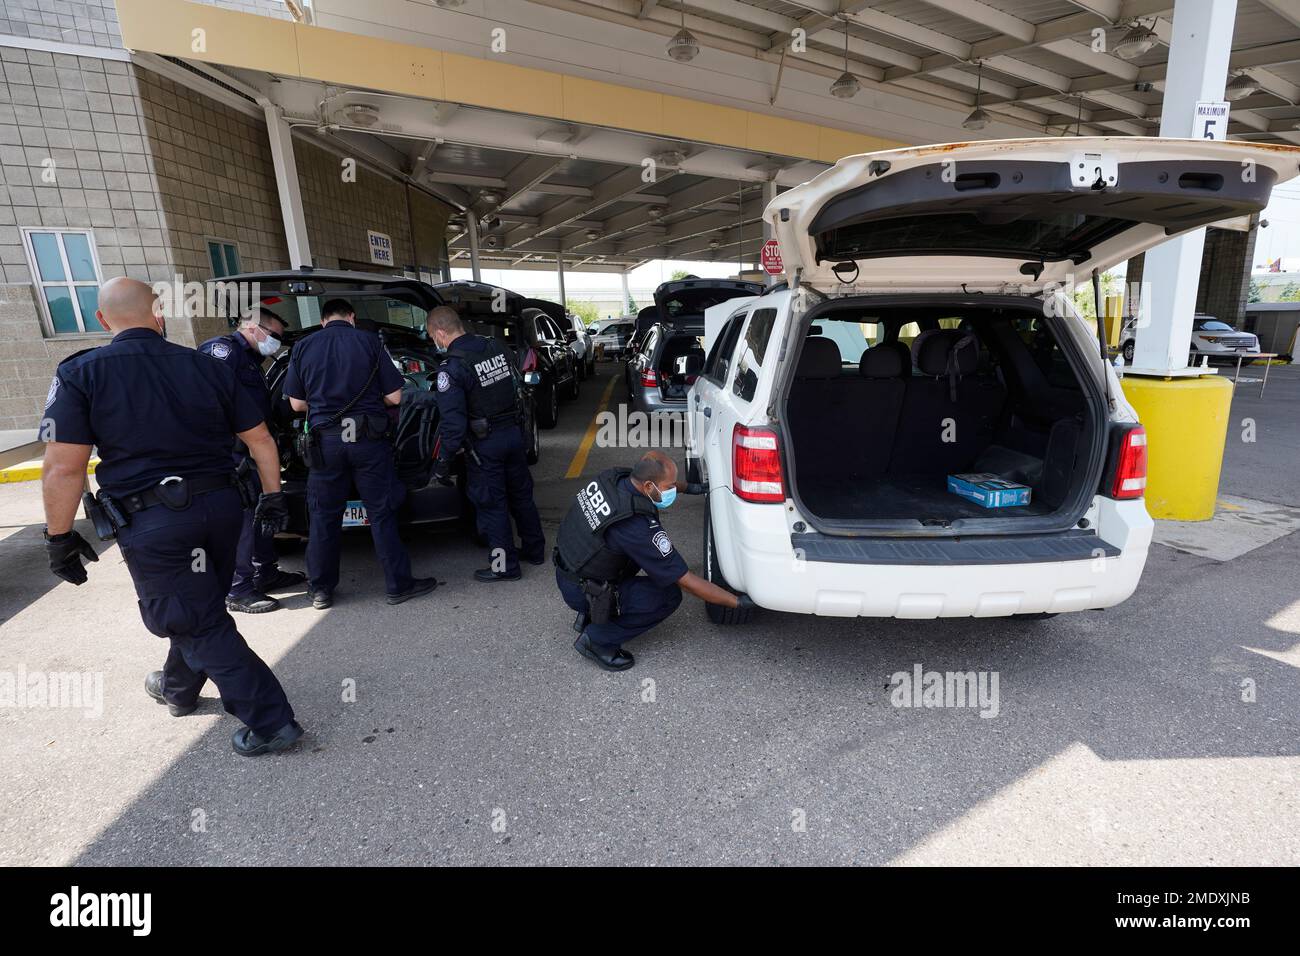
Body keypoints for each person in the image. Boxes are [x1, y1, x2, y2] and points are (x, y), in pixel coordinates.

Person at [40, 277, 303, 757]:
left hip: (155, 520)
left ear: (102, 321)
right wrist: (273, 497)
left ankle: (272, 721)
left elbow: (63, 465)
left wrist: (59, 537)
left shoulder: (81, 372)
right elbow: (260, 438)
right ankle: (177, 689)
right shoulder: (207, 366)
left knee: (194, 618)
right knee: (198, 608)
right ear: (157, 314)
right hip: (223, 510)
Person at [282, 298, 435, 609]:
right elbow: (394, 397)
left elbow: (296, 405)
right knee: (381, 513)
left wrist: (325, 404)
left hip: (325, 444)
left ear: (323, 320)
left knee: (324, 517)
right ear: (351, 317)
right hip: (368, 441)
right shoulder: (369, 341)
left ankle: (321, 590)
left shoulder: (303, 347)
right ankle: (398, 585)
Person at [553, 450, 752, 670]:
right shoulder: (636, 527)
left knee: (622, 556)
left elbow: (660, 481)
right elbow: (684, 580)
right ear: (649, 487)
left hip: (572, 566)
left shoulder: (614, 479)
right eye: (670, 487)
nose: (673, 490)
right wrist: (738, 602)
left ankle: (591, 613)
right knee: (668, 595)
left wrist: (694, 488)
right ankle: (598, 639)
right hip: (581, 589)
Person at [426, 305, 545, 582]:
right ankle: (535, 550)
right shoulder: (496, 347)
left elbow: (453, 425)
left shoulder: (451, 367)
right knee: (522, 496)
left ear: (441, 332)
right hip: (513, 435)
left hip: (485, 444)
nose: (436, 342)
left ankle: (504, 567)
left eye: (434, 336)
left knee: (492, 505)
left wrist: (442, 463)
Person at [199, 307, 306, 613]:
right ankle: (238, 589)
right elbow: (208, 403)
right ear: (253, 328)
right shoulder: (221, 352)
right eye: (273, 336)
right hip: (231, 455)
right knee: (243, 522)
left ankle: (267, 573)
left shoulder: (253, 361)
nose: (275, 343)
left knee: (263, 515)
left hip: (254, 453)